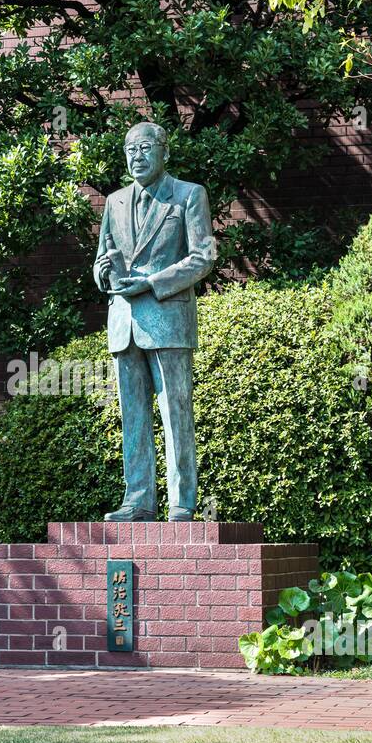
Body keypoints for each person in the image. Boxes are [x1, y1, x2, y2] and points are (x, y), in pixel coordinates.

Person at [93, 121, 215, 522]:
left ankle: (182, 501)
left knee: (174, 411)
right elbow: (101, 262)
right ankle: (138, 500)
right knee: (133, 416)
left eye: (145, 148)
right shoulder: (114, 202)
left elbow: (202, 257)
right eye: (130, 150)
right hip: (124, 322)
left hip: (167, 319)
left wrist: (150, 283)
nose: (136, 156)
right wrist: (106, 274)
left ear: (165, 151)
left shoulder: (188, 196)